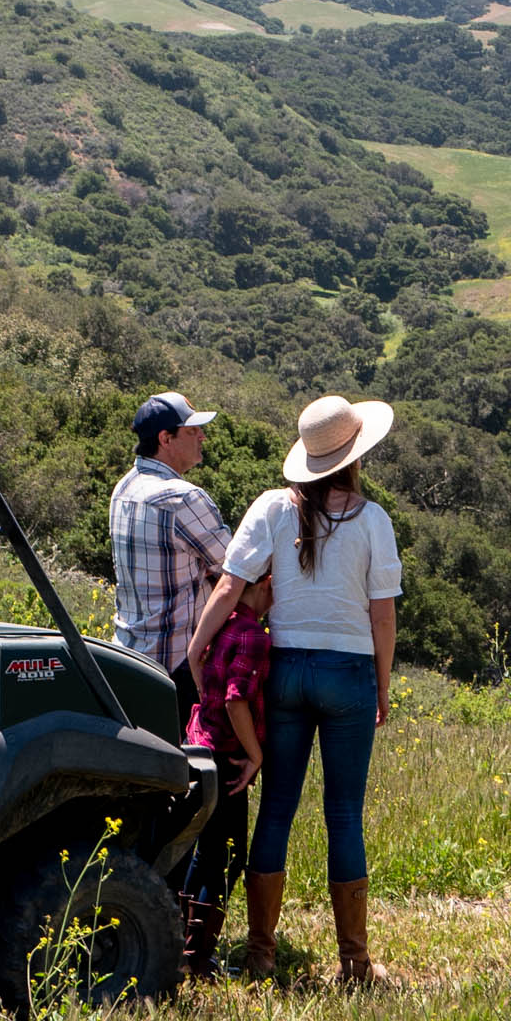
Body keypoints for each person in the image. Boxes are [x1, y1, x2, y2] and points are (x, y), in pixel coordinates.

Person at [185, 392, 400, 987]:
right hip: (349, 672)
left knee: (276, 810)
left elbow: (231, 586)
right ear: (355, 456)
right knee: (344, 816)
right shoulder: (372, 519)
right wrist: (382, 687)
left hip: (284, 670)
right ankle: (354, 962)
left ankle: (260, 954)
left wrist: (196, 648)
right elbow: (382, 616)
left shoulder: (273, 509)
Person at [108, 389, 233, 966]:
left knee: (146, 797)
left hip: (130, 662)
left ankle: (139, 915)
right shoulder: (183, 498)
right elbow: (236, 568)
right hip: (181, 666)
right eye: (193, 430)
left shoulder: (124, 490)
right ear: (166, 438)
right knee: (205, 800)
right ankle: (190, 938)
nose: (201, 438)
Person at [179, 565, 275, 978]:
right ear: (267, 583)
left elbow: (199, 664)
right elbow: (238, 702)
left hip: (199, 745)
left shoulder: (223, 624)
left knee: (205, 853)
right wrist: (255, 756)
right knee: (229, 858)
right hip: (227, 756)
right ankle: (197, 959)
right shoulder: (254, 636)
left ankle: (181, 946)